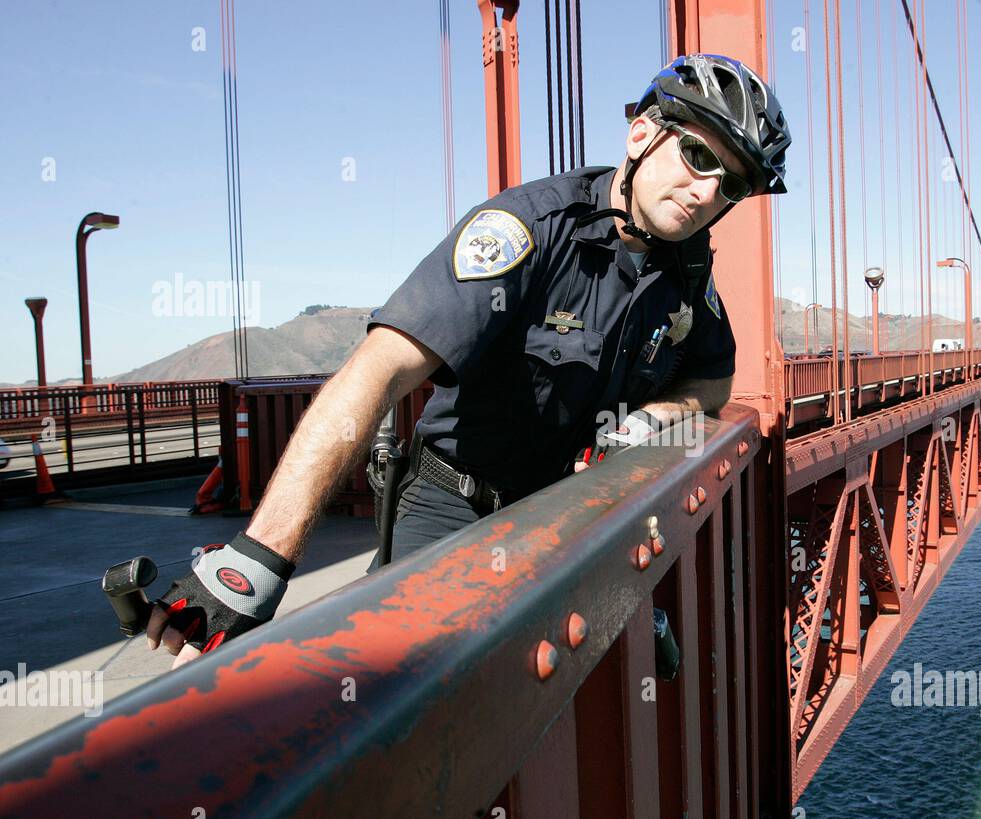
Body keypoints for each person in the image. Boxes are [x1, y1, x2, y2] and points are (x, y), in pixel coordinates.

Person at [147, 53, 791, 669]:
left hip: (567, 510)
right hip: (454, 506)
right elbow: (376, 370)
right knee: (407, 692)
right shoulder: (529, 230)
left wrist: (655, 415)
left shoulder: (686, 269)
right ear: (642, 134)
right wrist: (261, 557)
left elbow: (715, 376)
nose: (707, 190)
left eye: (731, 183)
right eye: (698, 154)